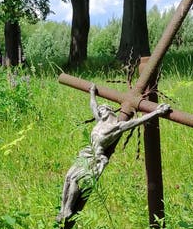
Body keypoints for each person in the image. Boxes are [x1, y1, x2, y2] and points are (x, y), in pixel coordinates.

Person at [58, 84, 171, 220]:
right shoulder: (100, 122)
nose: (99, 111)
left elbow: (137, 121)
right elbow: (93, 106)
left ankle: (69, 209)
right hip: (86, 152)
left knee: (75, 179)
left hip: (95, 157)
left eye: (102, 109)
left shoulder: (116, 127)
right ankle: (63, 209)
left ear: (109, 111)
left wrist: (157, 112)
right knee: (68, 177)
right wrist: (92, 93)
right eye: (100, 110)